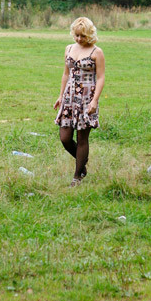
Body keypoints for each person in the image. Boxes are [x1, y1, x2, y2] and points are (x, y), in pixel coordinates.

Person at [54, 17, 105, 186]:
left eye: (82, 36)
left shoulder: (96, 52)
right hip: (69, 98)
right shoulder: (68, 48)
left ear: (89, 34)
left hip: (86, 99)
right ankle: (82, 161)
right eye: (76, 35)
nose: (79, 39)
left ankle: (77, 176)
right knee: (65, 138)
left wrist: (95, 101)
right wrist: (61, 96)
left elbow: (101, 78)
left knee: (82, 138)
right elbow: (65, 74)